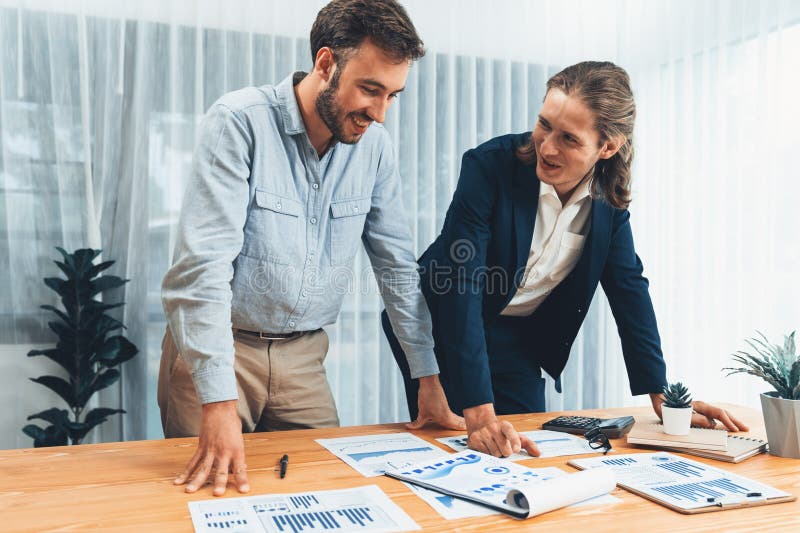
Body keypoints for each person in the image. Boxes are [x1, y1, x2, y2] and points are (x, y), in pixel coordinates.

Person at [159, 0, 463, 497]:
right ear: (326, 64)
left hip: (304, 359)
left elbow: (396, 269)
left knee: (329, 495)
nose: (379, 112)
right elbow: (202, 269)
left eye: (392, 95)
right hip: (222, 352)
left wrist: (427, 379)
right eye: (370, 89)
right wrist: (217, 401)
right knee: (211, 500)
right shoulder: (239, 122)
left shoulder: (376, 147)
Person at [383, 61, 748, 458]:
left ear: (607, 147)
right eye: (544, 125)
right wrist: (479, 410)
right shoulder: (489, 167)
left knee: (525, 451)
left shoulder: (607, 200)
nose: (547, 146)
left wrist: (664, 398)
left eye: (569, 139)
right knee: (456, 447)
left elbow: (628, 286)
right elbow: (461, 282)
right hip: (442, 322)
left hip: (517, 334)